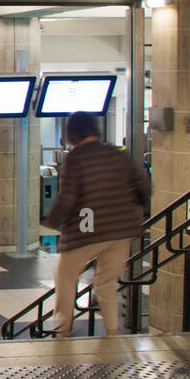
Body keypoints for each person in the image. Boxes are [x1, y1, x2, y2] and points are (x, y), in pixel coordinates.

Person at [43, 112, 150, 338]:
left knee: (66, 275)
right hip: (121, 229)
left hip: (87, 229)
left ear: (72, 133)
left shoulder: (76, 158)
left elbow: (68, 197)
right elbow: (144, 186)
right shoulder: (118, 154)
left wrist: (52, 220)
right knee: (106, 283)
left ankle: (62, 328)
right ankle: (112, 333)